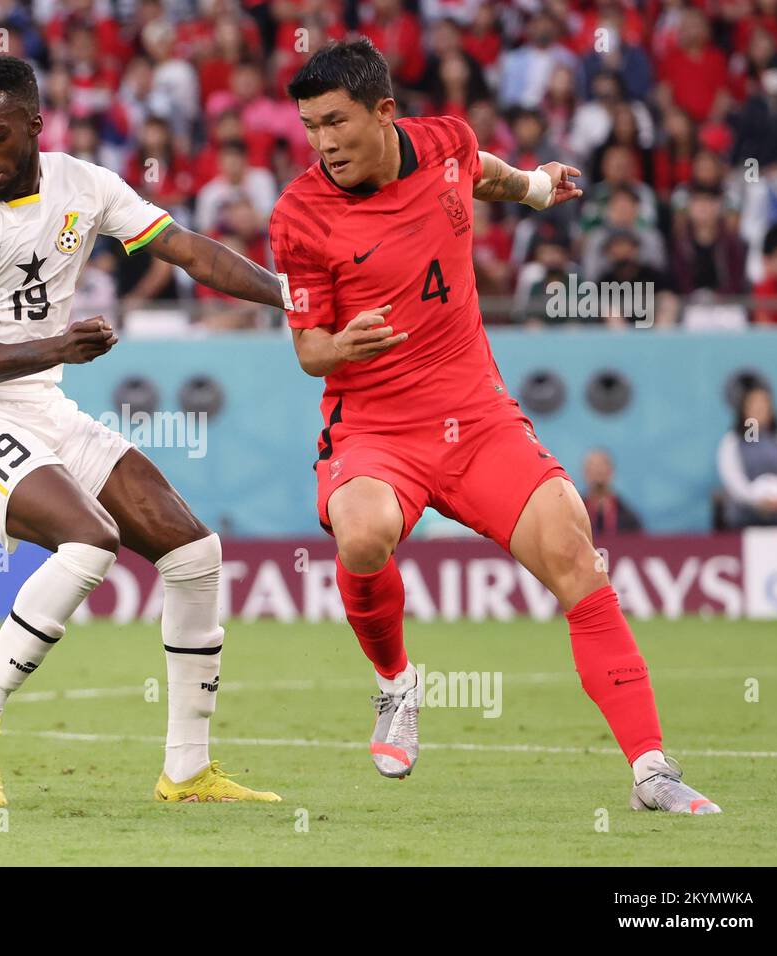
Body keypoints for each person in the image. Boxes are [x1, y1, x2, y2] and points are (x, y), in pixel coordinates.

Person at [268, 39, 719, 814]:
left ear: (384, 112)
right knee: (363, 532)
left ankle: (651, 770)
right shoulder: (299, 215)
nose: (324, 144)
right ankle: (395, 684)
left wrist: (540, 187)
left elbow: (486, 174)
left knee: (575, 550)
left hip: (475, 416)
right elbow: (309, 351)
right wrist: (341, 346)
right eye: (310, 127)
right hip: (374, 426)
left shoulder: (446, 140)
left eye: (337, 122)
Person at [0, 55, 284, 807]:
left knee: (194, 553)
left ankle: (186, 771)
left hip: (38, 404)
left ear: (35, 126)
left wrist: (291, 300)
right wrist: (57, 346)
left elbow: (188, 251)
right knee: (91, 539)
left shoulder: (87, 186)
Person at [717, 385, 777, 528]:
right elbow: (733, 479)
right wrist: (757, 500)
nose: (759, 409)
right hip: (744, 514)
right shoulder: (732, 441)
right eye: (754, 404)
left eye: (764, 404)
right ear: (744, 410)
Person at [581, 449, 644, 534]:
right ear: (585, 473)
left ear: (611, 472)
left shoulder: (628, 518)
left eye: (601, 467)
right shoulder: (575, 514)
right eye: (592, 467)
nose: (597, 471)